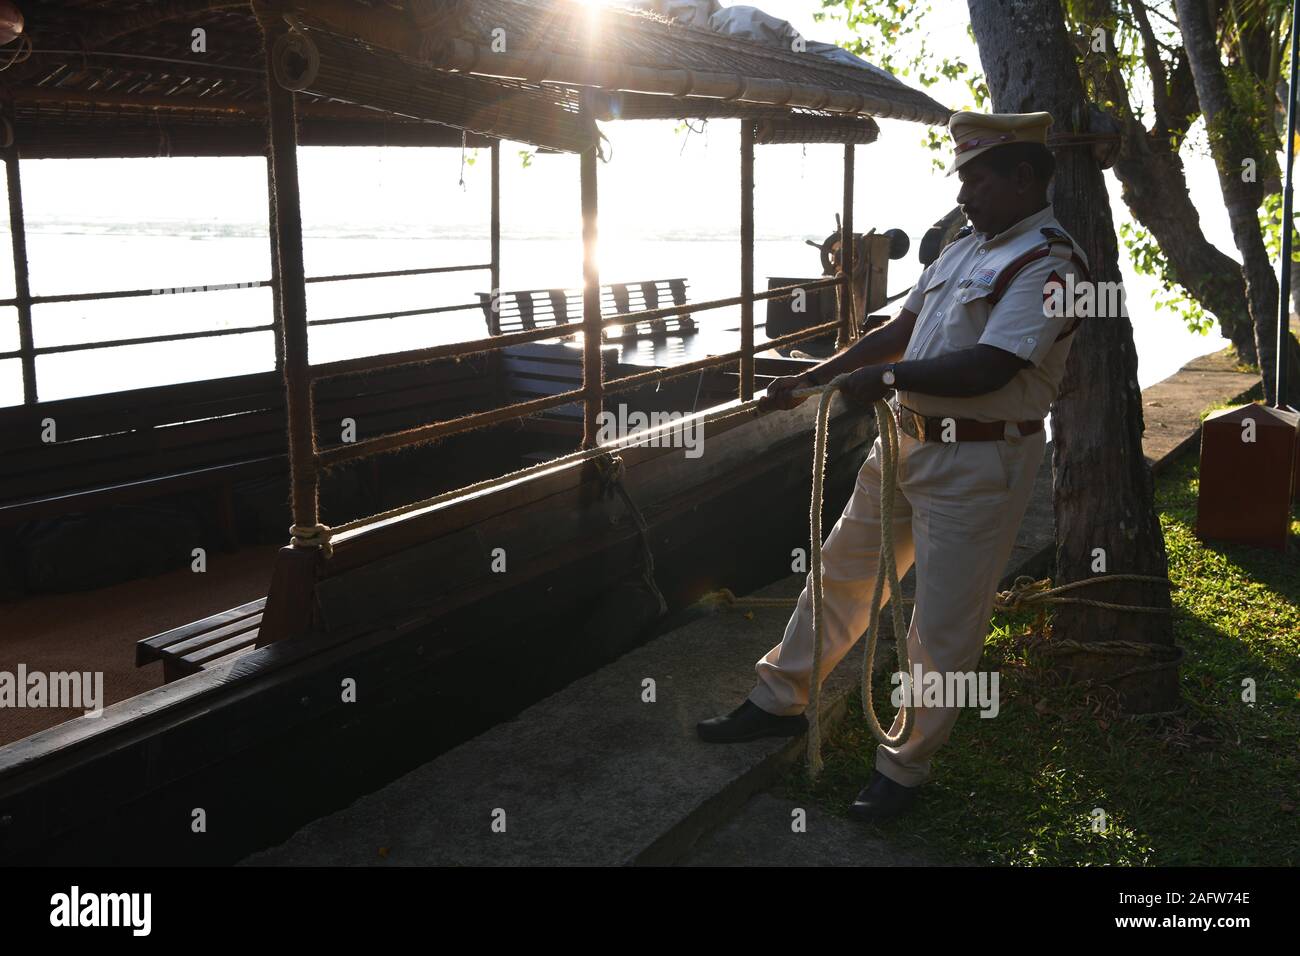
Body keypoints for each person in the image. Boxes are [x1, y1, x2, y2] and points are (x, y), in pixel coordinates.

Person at [696, 110, 1092, 823]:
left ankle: (903, 770)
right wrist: (818, 375)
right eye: (962, 178)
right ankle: (780, 699)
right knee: (840, 573)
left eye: (977, 178)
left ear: (1025, 176)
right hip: (904, 444)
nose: (964, 193)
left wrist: (882, 382)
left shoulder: (1051, 263)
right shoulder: (964, 245)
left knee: (940, 626)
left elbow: (992, 365)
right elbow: (901, 329)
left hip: (979, 459)